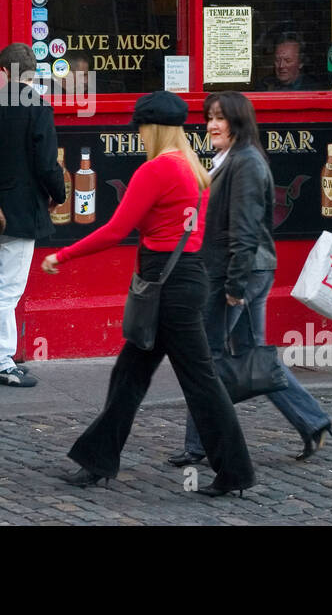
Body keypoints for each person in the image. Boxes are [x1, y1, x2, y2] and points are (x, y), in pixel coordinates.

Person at [41, 91, 256, 497]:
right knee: (131, 375)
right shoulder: (193, 168)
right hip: (183, 279)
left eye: (140, 128)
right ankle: (97, 460)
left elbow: (115, 230)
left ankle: (235, 471)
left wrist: (63, 255)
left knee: (199, 381)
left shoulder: (156, 170)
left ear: (152, 129)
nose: (138, 135)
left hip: (165, 286)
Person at [169, 91, 332, 468]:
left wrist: (234, 287)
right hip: (242, 270)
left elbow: (243, 230)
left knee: (204, 359)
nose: (211, 125)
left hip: (238, 273)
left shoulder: (245, 164)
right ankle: (313, 421)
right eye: (209, 117)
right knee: (250, 356)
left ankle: (198, 446)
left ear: (238, 122)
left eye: (220, 118)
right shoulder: (230, 159)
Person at [0, 43, 66, 387]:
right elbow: (47, 163)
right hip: (22, 207)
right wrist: (58, 194)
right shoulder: (37, 108)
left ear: (2, 69)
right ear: (31, 73)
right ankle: (0, 360)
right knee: (7, 288)